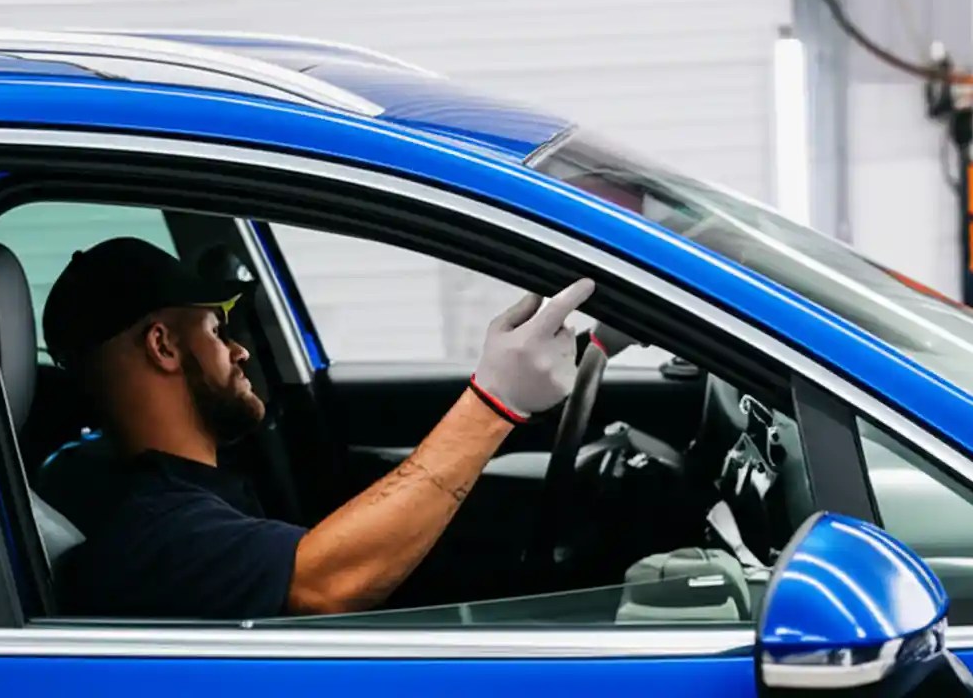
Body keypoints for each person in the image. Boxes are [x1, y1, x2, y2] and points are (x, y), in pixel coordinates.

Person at [40, 237, 595, 619]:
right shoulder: (149, 529)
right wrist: (495, 402)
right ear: (162, 346)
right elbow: (322, 585)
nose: (238, 351)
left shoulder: (146, 488)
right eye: (215, 328)